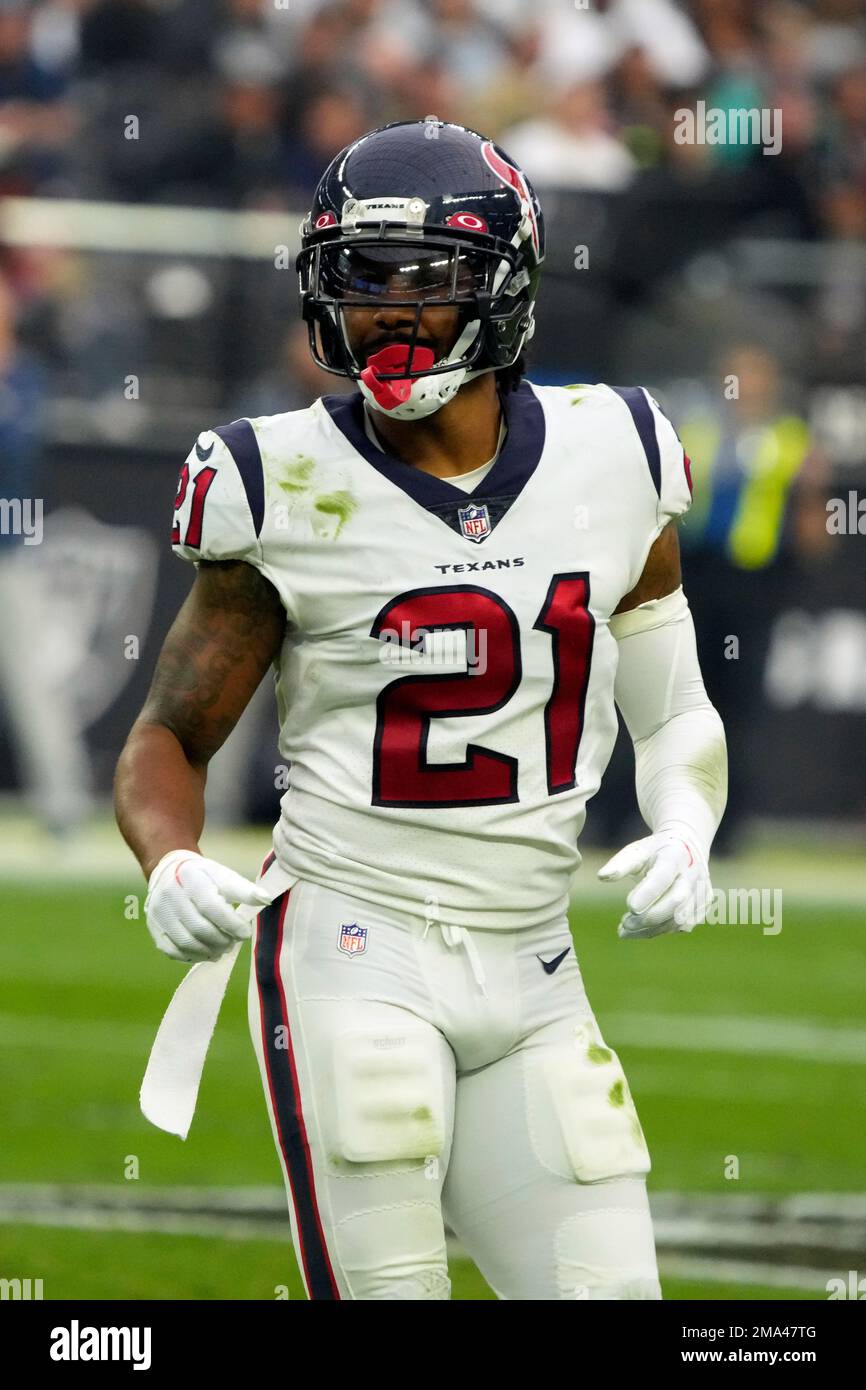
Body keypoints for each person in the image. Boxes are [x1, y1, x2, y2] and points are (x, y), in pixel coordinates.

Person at [115, 118, 727, 1301]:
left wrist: (689, 827)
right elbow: (169, 737)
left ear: (500, 289)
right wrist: (170, 860)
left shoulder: (617, 452)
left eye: (422, 282)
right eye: (358, 278)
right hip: (353, 951)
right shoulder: (277, 478)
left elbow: (674, 711)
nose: (385, 312)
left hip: (536, 965)